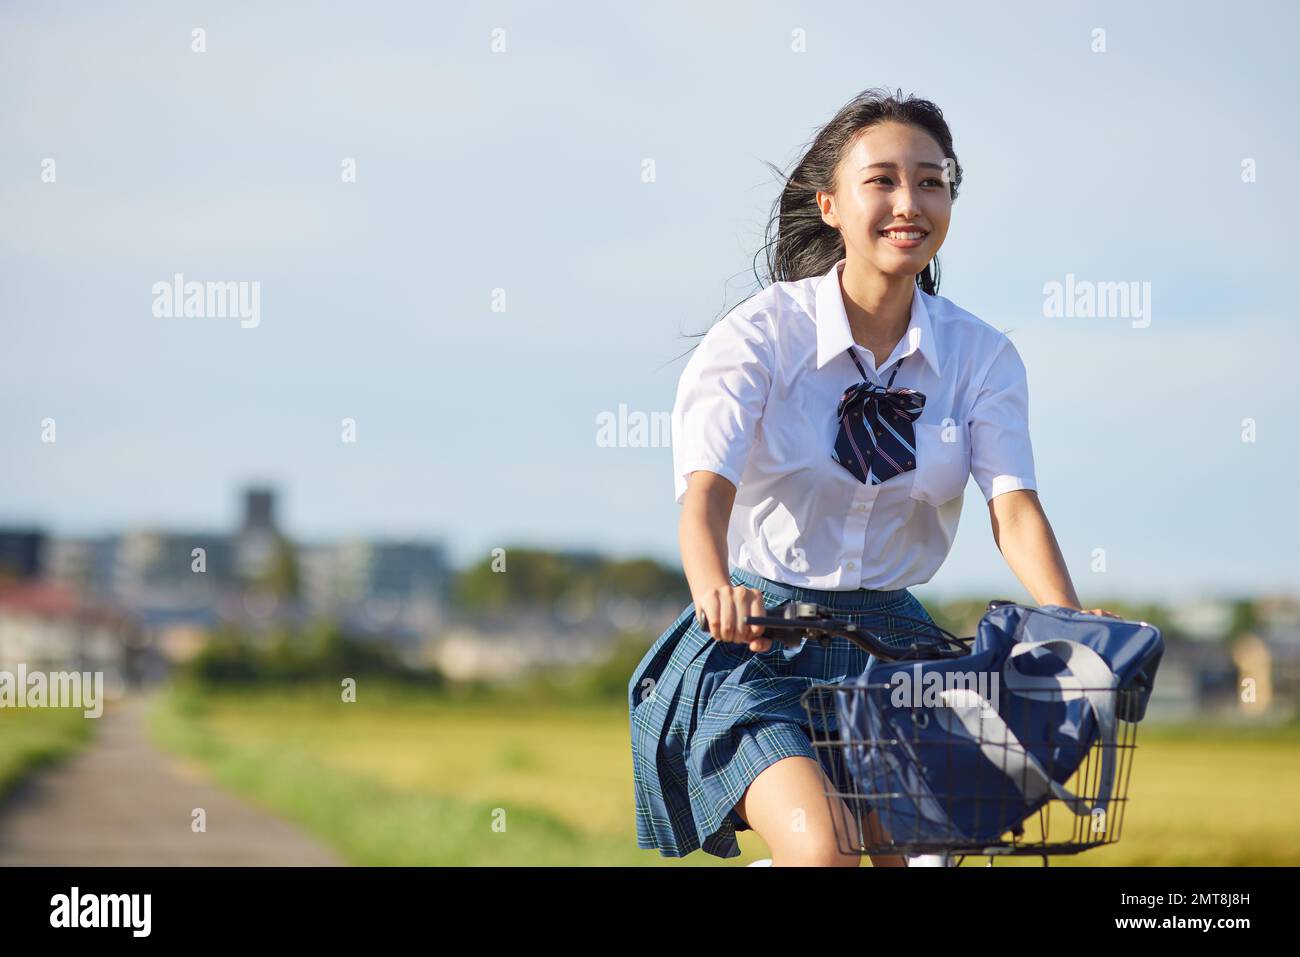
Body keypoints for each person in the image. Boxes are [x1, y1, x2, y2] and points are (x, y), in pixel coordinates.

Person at [628, 87, 1117, 867]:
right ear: (829, 204)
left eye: (931, 180)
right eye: (881, 180)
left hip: (893, 652)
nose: (908, 202)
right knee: (823, 849)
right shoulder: (760, 335)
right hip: (760, 640)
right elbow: (706, 492)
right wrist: (713, 586)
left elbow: (1014, 507)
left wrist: (1068, 619)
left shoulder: (981, 356)